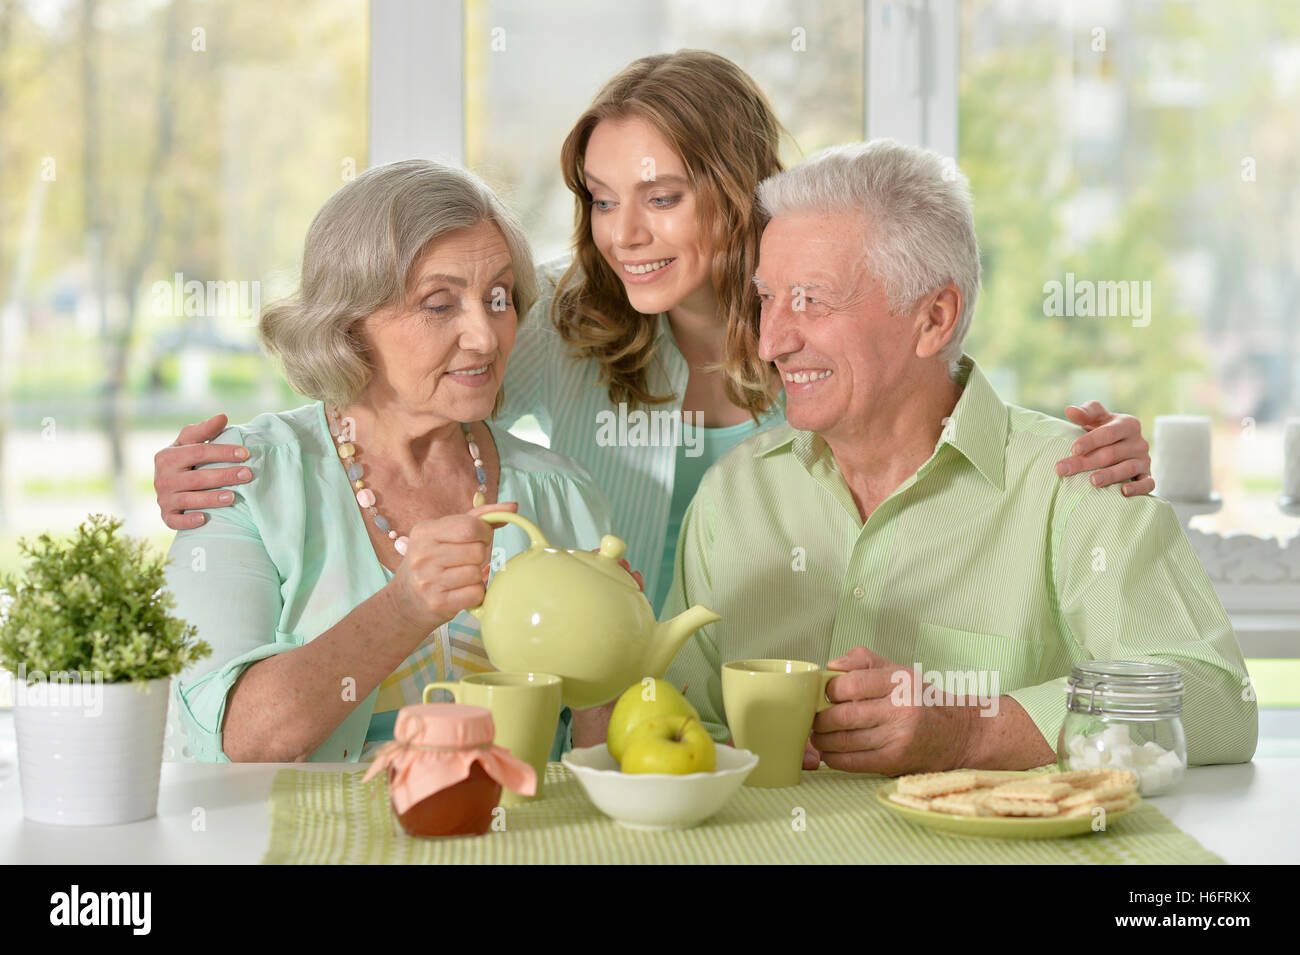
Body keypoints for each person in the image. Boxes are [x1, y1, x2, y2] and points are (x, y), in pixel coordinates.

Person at [153, 51, 1154, 742]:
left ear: (740, 190)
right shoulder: (558, 319)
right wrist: (216, 468)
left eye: (662, 195)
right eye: (599, 196)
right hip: (622, 733)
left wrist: (1084, 453)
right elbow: (384, 374)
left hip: (783, 739)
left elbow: (937, 408)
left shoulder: (829, 343)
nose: (623, 233)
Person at [659, 139, 1257, 773]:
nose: (772, 340)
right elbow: (669, 711)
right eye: (767, 299)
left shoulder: (1079, 481)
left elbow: (1219, 702)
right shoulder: (733, 495)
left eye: (810, 300)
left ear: (934, 318)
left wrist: (974, 731)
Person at [165, 160, 620, 762]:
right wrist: (404, 607)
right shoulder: (240, 480)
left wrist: (612, 670)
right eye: (439, 304)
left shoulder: (561, 493)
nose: (485, 336)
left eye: (498, 297)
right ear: (349, 324)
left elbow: (596, 759)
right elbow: (237, 739)